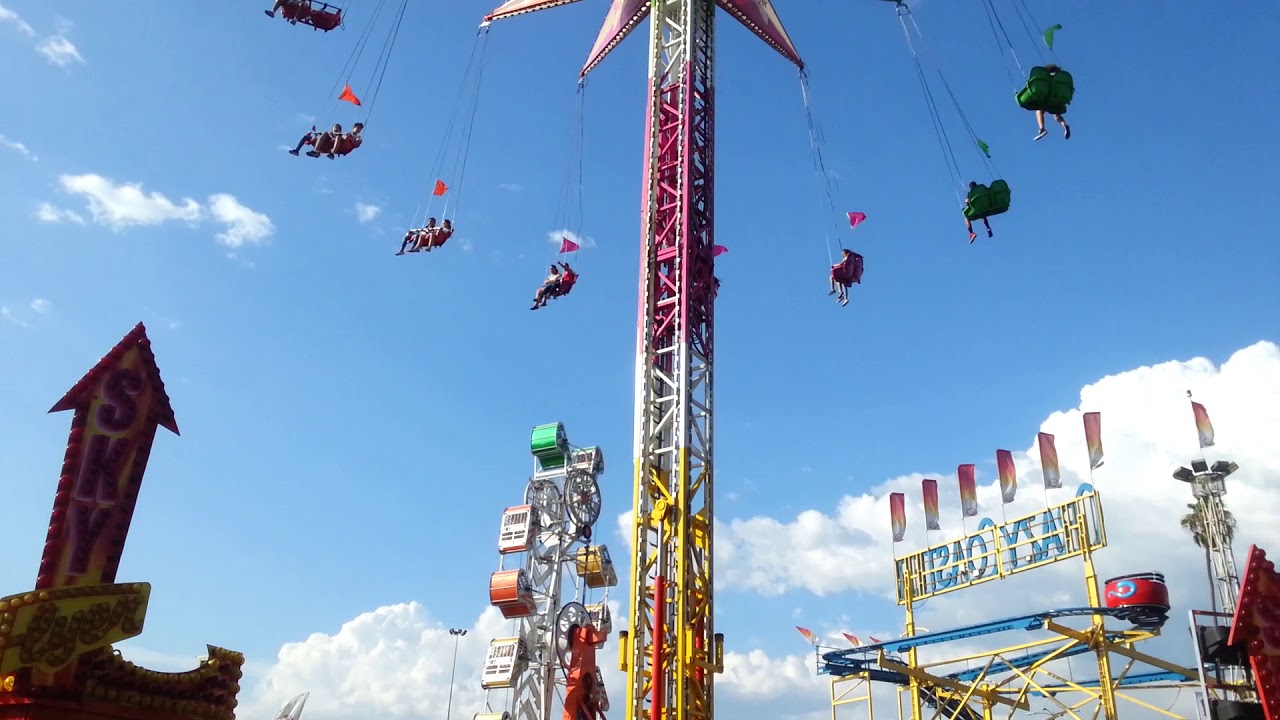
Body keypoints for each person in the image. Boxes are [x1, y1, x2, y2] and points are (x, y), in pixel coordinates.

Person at [1032, 64, 1071, 141]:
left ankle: (1042, 129)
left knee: (1039, 111)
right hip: (1058, 99)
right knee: (1056, 115)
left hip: (1048, 98)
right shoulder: (1060, 79)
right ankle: (1064, 125)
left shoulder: (1047, 78)